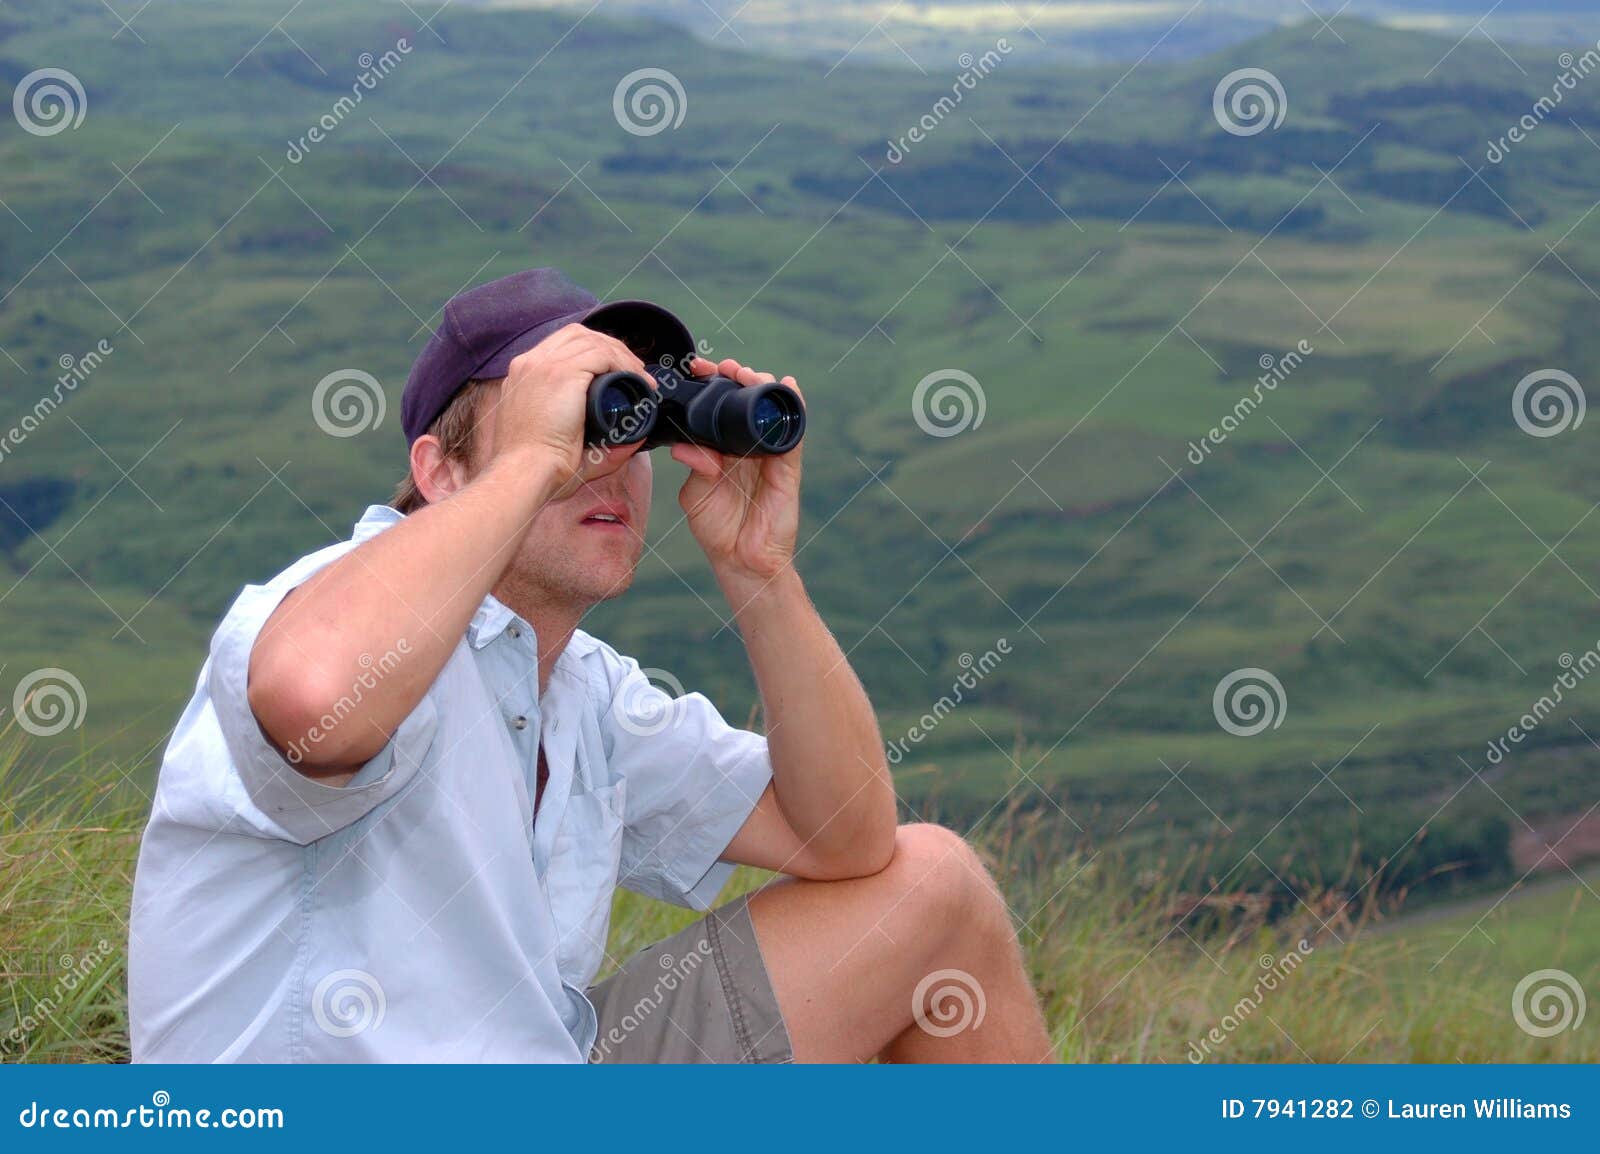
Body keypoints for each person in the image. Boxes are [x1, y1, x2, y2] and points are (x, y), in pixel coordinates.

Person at [128, 267, 1052, 1063]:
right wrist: (529, 461)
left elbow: (846, 839)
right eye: (578, 423)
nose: (608, 466)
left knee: (935, 889)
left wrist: (757, 569)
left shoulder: (584, 691)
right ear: (441, 471)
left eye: (633, 429)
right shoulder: (337, 604)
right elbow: (312, 700)